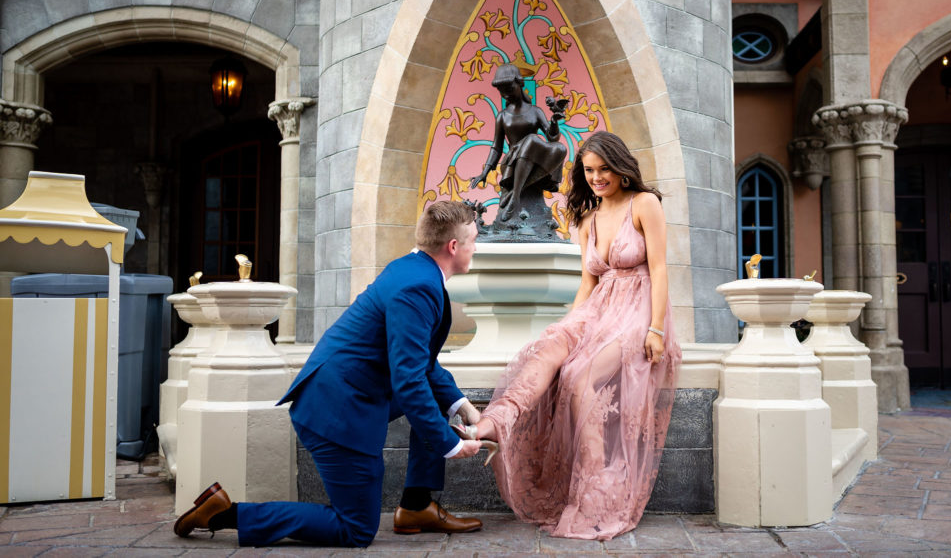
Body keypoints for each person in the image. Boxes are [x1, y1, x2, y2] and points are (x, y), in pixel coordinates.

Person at [173, 201, 490, 547]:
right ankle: (225, 513)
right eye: (474, 239)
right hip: (337, 410)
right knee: (355, 530)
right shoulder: (420, 286)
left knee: (432, 407)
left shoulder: (414, 270)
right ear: (454, 246)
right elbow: (409, 380)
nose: (477, 246)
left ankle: (416, 506)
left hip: (349, 394)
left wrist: (464, 408)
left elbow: (422, 363)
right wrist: (451, 445)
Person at [460, 131, 681, 540]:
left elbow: (661, 269)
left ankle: (596, 489)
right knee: (546, 351)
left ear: (621, 167)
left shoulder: (644, 204)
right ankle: (493, 424)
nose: (597, 178)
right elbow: (588, 282)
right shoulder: (588, 217)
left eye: (604, 170)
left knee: (579, 378)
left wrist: (655, 329)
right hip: (599, 307)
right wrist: (568, 326)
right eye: (590, 171)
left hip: (638, 309)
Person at [469, 63, 567, 222]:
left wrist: (554, 123)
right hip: (512, 162)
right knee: (532, 139)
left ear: (519, 84)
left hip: (533, 160)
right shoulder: (502, 116)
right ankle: (515, 197)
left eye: (508, 89)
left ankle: (516, 192)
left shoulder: (535, 111)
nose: (505, 94)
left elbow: (552, 138)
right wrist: (485, 172)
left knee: (560, 148)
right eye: (501, 91)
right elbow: (496, 147)